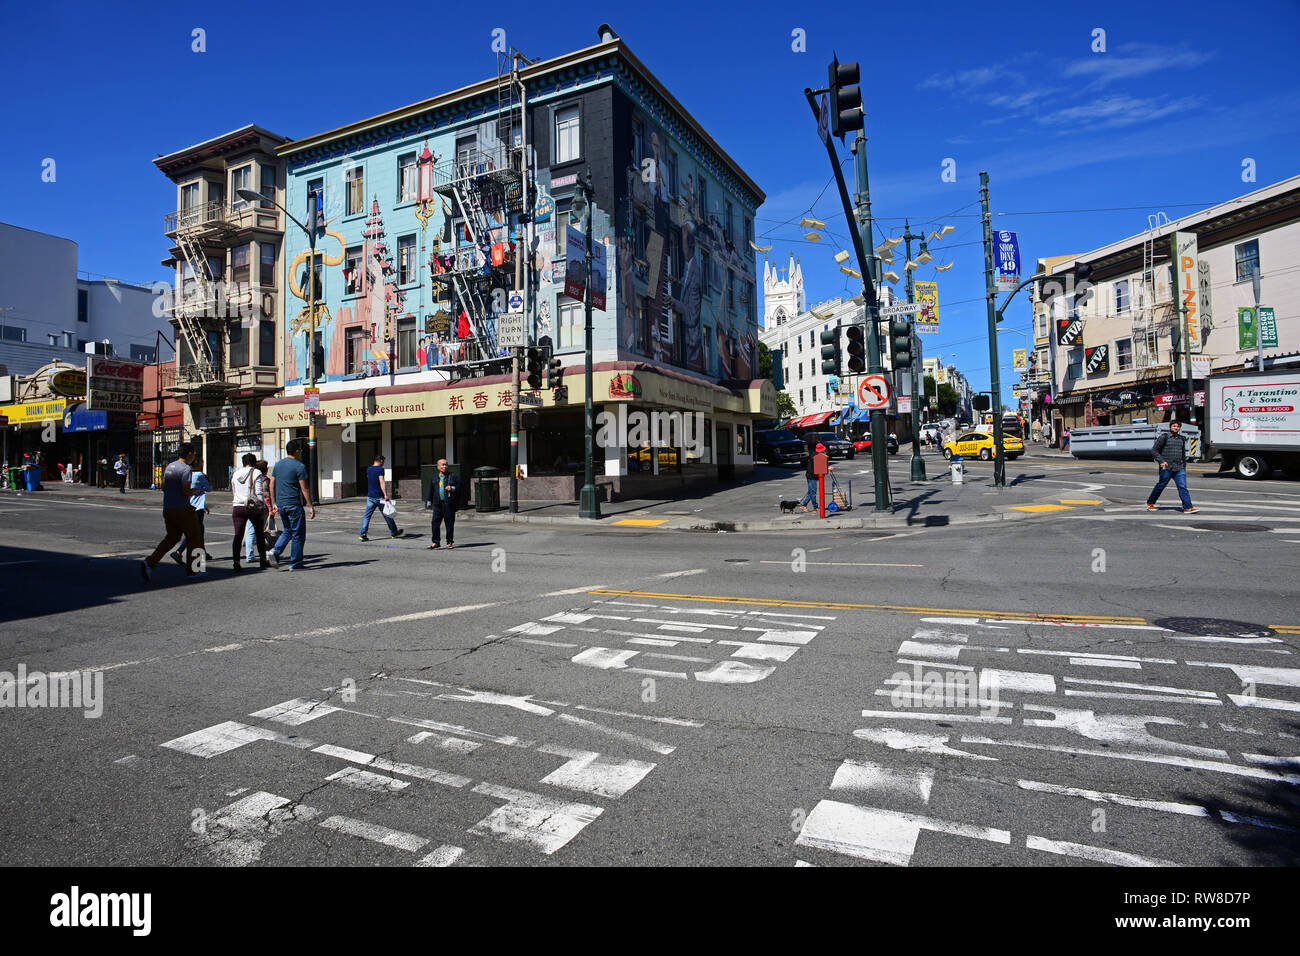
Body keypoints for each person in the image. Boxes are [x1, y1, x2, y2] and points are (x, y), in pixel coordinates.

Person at [141, 443, 203, 582]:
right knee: (195, 537)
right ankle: (194, 570)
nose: (194, 457)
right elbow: (186, 490)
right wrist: (195, 491)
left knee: (172, 538)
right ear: (189, 454)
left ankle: (150, 562)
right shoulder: (186, 469)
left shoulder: (170, 466)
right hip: (182, 508)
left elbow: (164, 487)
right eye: (193, 454)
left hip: (168, 508)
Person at [270, 439, 315, 570]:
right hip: (294, 504)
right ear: (296, 451)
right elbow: (304, 488)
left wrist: (274, 503)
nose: (301, 452)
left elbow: (272, 484)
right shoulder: (299, 466)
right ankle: (295, 562)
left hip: (281, 504)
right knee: (298, 534)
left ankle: (275, 552)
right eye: (300, 450)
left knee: (288, 531)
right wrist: (310, 505)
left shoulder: (278, 465)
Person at [230, 453, 272, 572]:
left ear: (243, 462)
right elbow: (259, 493)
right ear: (254, 462)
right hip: (252, 507)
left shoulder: (236, 473)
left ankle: (236, 562)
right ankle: (263, 559)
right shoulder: (256, 472)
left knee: (238, 535)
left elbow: (234, 490)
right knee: (259, 533)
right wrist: (262, 507)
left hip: (238, 506)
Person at [1146, 420, 1198, 514]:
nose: (1176, 428)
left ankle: (1187, 507)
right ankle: (1150, 503)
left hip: (1179, 468)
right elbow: (1154, 451)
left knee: (1182, 487)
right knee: (1161, 485)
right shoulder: (1164, 437)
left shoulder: (1182, 438)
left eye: (1178, 426)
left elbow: (1182, 454)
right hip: (1166, 467)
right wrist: (1161, 461)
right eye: (1174, 426)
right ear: (1170, 427)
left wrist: (1184, 467)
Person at [171, 455, 214, 566]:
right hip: (197, 509)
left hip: (189, 506)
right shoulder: (199, 475)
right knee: (194, 532)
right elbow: (209, 488)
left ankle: (203, 553)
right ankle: (178, 552)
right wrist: (207, 481)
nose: (203, 463)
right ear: (197, 463)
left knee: (200, 530)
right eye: (201, 462)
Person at [360, 454, 403, 541]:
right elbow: (381, 481)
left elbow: (370, 479)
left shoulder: (369, 469)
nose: (383, 463)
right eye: (383, 461)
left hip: (370, 496)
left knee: (367, 516)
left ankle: (363, 534)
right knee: (388, 514)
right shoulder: (380, 469)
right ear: (381, 461)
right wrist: (385, 494)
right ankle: (394, 532)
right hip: (379, 497)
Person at [426, 458, 460, 549]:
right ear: (438, 467)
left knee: (449, 524)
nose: (445, 466)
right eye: (443, 464)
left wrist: (452, 488)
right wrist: (429, 502)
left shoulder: (452, 476)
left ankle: (449, 542)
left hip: (448, 504)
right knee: (435, 523)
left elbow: (460, 486)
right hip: (437, 504)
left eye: (446, 464)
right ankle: (436, 542)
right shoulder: (434, 478)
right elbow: (431, 490)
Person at [242, 459, 272, 562]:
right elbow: (265, 494)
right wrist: (270, 508)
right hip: (262, 507)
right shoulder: (265, 479)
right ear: (265, 469)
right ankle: (268, 555)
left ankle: (249, 555)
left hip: (251, 505)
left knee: (250, 531)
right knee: (267, 531)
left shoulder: (251, 478)